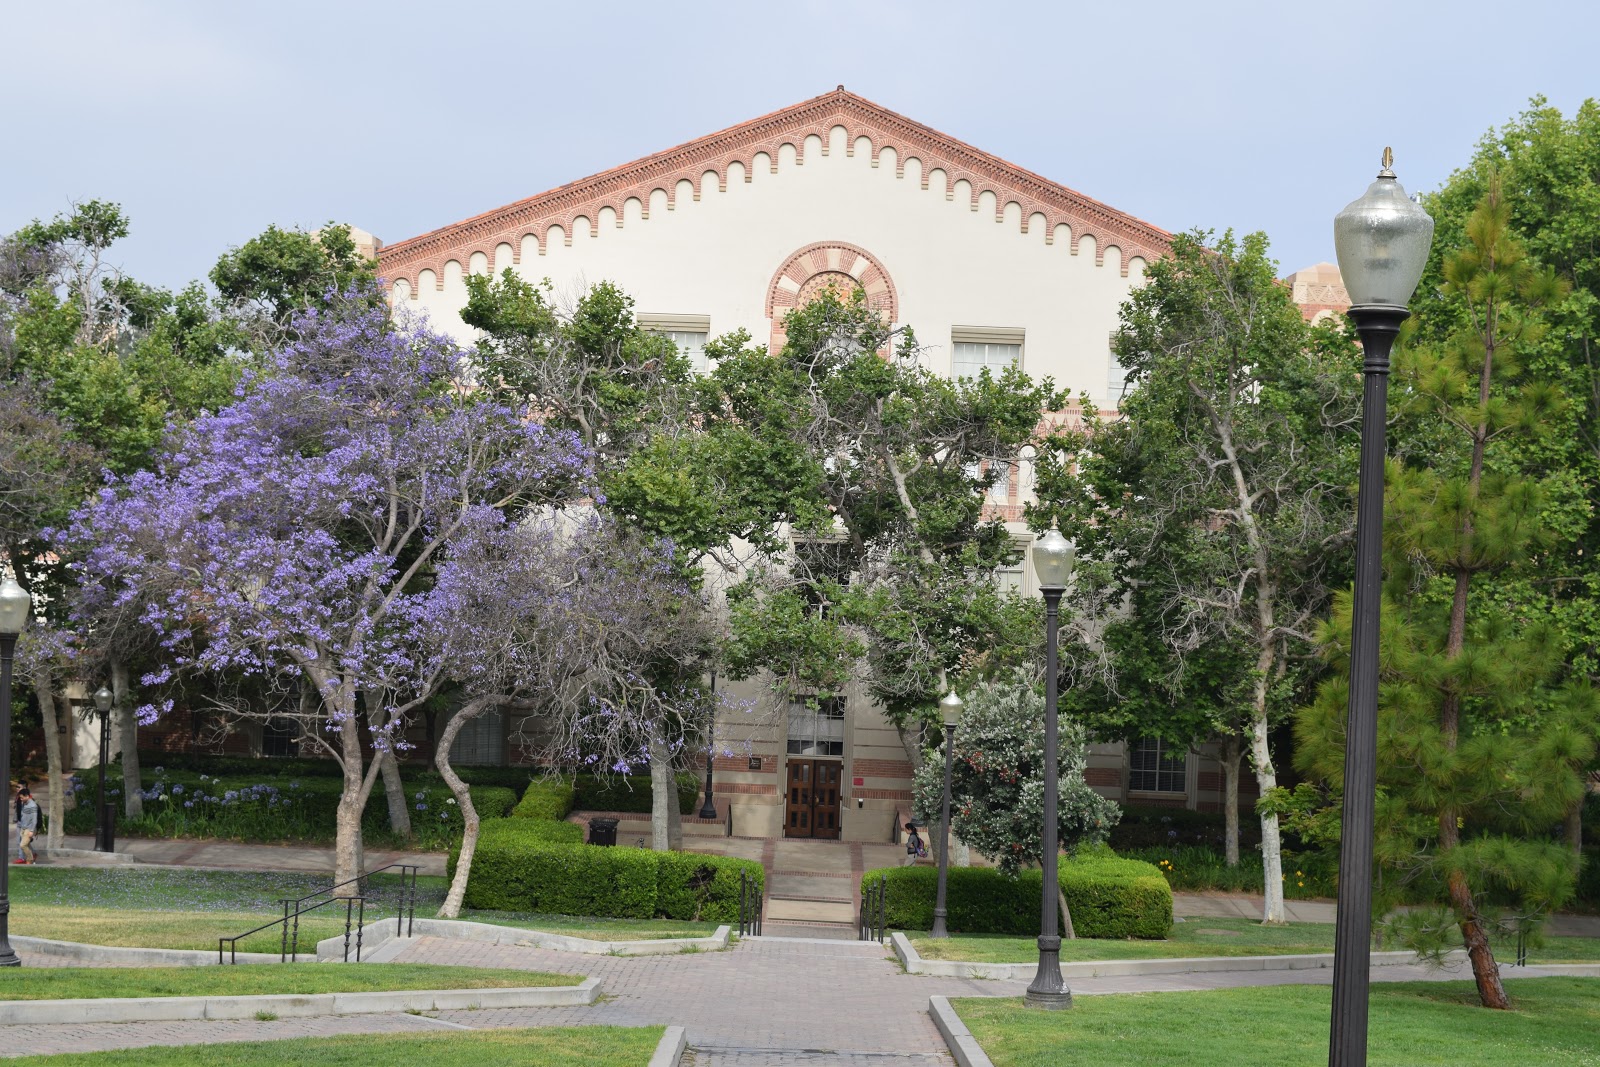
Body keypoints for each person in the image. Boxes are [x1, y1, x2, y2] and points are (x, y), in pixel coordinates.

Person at [13, 786, 38, 865]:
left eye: (22, 798)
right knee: (26, 844)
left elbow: (34, 820)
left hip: (28, 829)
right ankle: (32, 857)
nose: (21, 799)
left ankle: (30, 860)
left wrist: (31, 830)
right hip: (23, 828)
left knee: (23, 845)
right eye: (20, 798)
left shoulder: (33, 806)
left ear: (27, 796)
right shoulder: (24, 803)